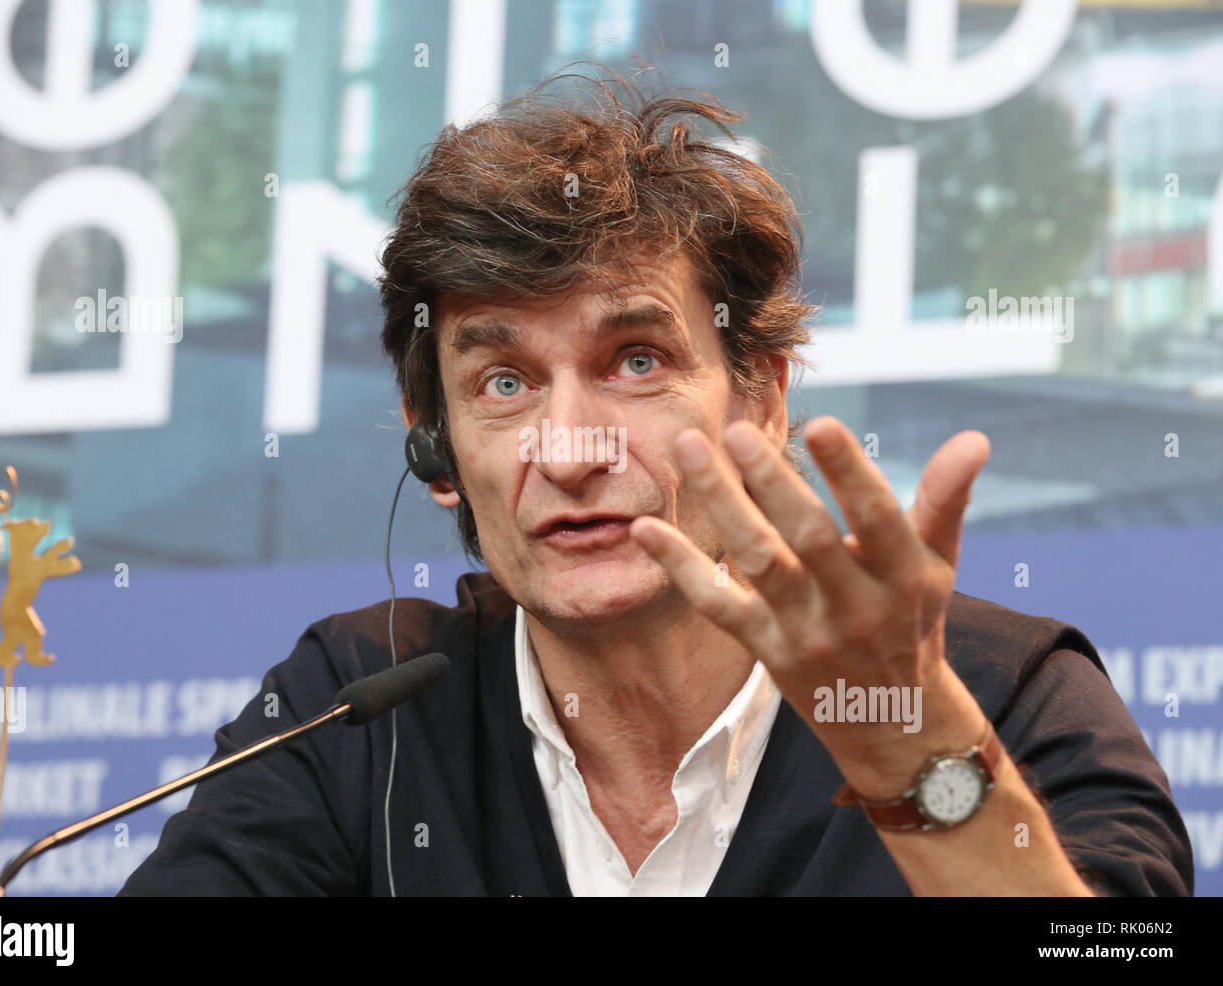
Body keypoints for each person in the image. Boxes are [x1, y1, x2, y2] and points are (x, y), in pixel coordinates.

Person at [119, 68, 1192, 897]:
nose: (572, 447)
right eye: (502, 380)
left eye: (636, 361)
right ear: (434, 445)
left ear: (757, 397)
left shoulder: (1003, 692)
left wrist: (913, 758)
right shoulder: (354, 708)